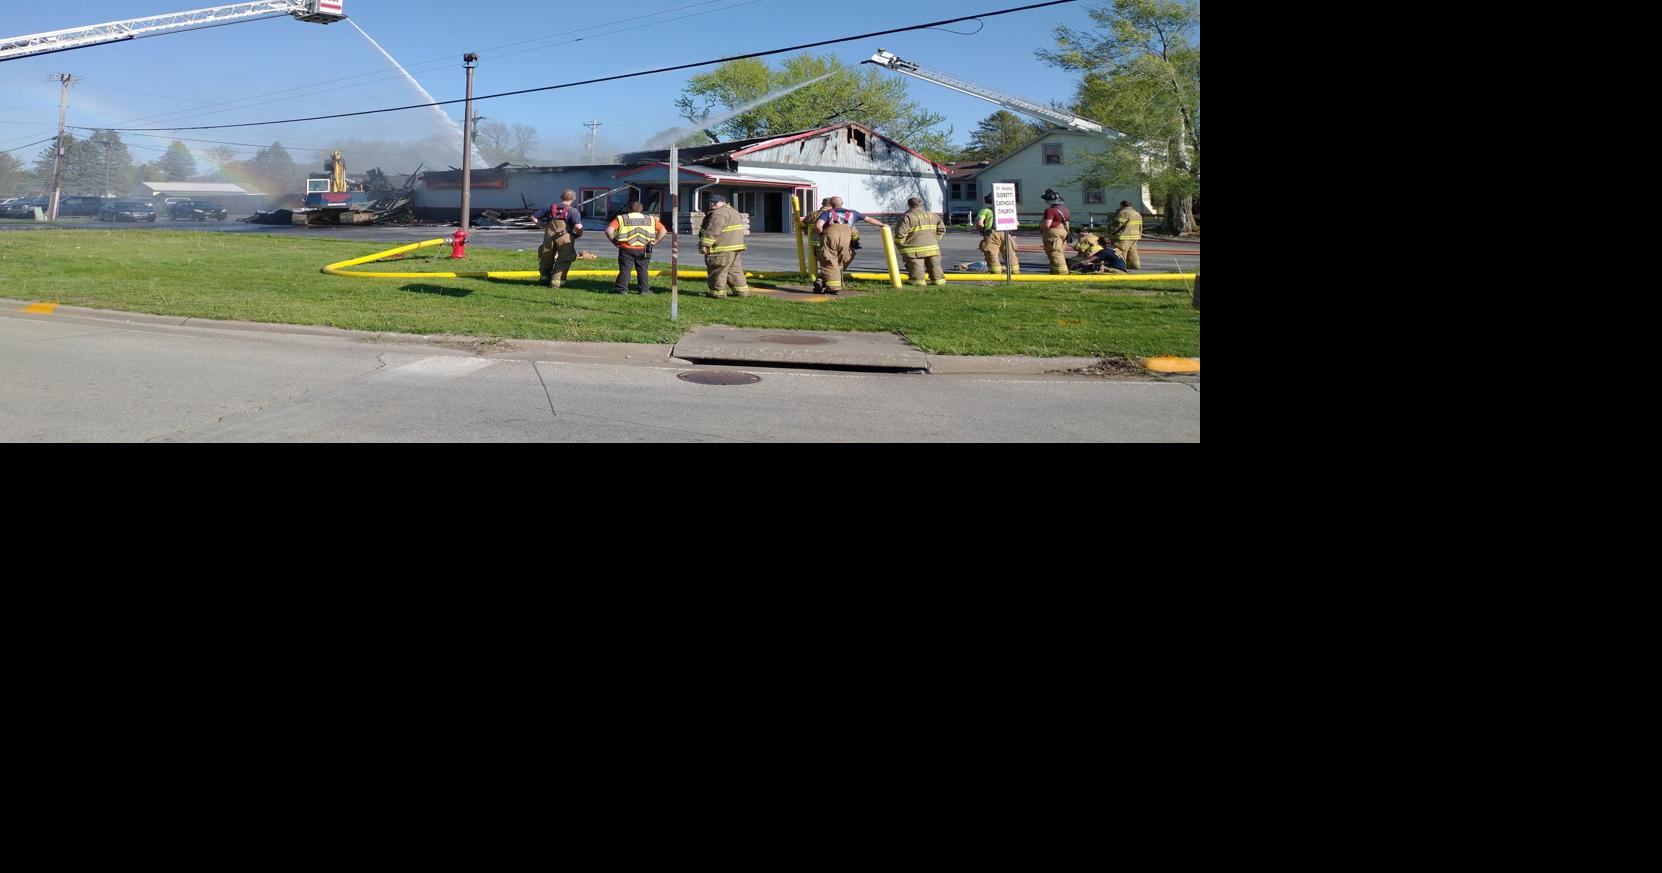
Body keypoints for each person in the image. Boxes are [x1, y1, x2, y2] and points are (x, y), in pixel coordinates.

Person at [813, 196, 886, 294]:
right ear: (842, 203)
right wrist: (883, 225)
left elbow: (818, 225)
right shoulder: (853, 213)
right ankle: (822, 280)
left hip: (830, 238)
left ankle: (833, 287)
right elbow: (869, 219)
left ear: (831, 204)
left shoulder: (827, 213)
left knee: (829, 260)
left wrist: (821, 233)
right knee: (840, 261)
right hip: (845, 239)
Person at [605, 200, 666, 295]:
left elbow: (609, 231)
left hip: (626, 248)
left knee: (625, 269)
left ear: (629, 209)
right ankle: (644, 290)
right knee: (643, 269)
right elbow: (663, 230)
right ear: (642, 210)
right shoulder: (651, 219)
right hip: (644, 248)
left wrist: (615, 242)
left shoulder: (621, 218)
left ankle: (621, 289)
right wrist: (655, 242)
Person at [698, 194, 750, 298]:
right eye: (711, 202)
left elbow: (712, 231)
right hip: (735, 248)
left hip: (721, 248)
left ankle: (717, 294)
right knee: (735, 271)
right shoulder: (734, 212)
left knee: (717, 270)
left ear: (723, 202)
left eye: (715, 202)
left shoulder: (719, 214)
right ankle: (742, 292)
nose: (712, 204)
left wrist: (705, 244)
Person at [535, 189, 584, 288]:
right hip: (565, 237)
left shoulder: (549, 207)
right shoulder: (573, 211)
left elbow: (533, 217)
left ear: (561, 197)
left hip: (549, 237)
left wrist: (542, 224)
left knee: (546, 256)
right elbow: (578, 226)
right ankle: (556, 282)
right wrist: (577, 234)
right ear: (573, 199)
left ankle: (544, 278)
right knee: (564, 259)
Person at [894, 196, 946, 286]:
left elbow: (900, 233)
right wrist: (934, 239)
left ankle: (918, 281)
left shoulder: (907, 217)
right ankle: (938, 281)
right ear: (920, 204)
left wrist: (899, 243)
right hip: (932, 246)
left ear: (909, 205)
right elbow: (942, 229)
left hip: (914, 248)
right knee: (934, 264)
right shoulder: (933, 215)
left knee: (916, 264)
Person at [975, 193, 1021, 275]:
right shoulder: (1006, 210)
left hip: (992, 234)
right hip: (1006, 233)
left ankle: (995, 272)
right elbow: (1016, 224)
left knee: (992, 254)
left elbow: (980, 223)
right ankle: (1015, 272)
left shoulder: (986, 211)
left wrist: (982, 230)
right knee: (1010, 253)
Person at [802, 197, 832, 292]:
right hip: (828, 241)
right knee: (829, 262)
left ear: (822, 204)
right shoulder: (832, 214)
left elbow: (804, 225)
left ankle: (815, 277)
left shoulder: (812, 214)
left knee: (814, 260)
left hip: (814, 241)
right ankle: (823, 279)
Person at [1040, 189, 1071, 274]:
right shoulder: (1064, 209)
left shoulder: (1050, 210)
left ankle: (1062, 273)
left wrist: (1040, 226)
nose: (1045, 201)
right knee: (1058, 252)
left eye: (1046, 200)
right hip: (1064, 232)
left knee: (1055, 253)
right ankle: (1054, 272)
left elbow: (1047, 224)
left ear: (1049, 200)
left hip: (1053, 233)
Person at [1106, 200, 1143, 270]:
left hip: (1124, 237)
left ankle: (1121, 266)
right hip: (1135, 236)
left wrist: (1109, 233)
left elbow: (1116, 224)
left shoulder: (1123, 213)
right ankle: (1135, 265)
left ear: (1122, 205)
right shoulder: (1136, 213)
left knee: (1121, 251)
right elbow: (1140, 226)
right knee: (1132, 251)